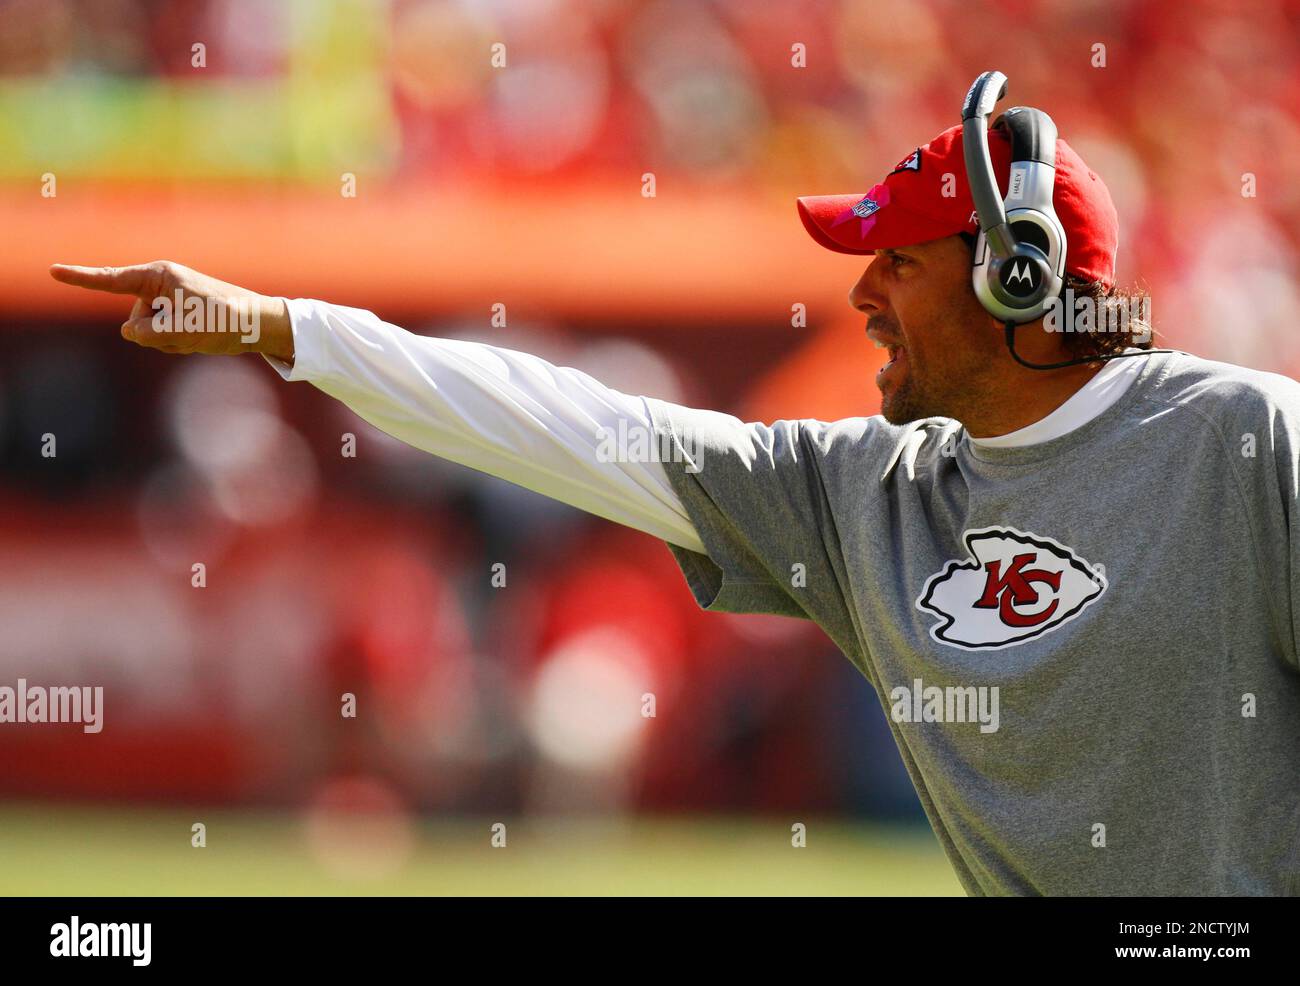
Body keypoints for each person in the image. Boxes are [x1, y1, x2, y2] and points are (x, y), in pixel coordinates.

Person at [50, 119, 1300, 897]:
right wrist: (289, 328)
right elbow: (571, 423)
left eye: (898, 262)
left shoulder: (1246, 439)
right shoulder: (858, 489)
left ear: (1013, 277)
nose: (862, 292)